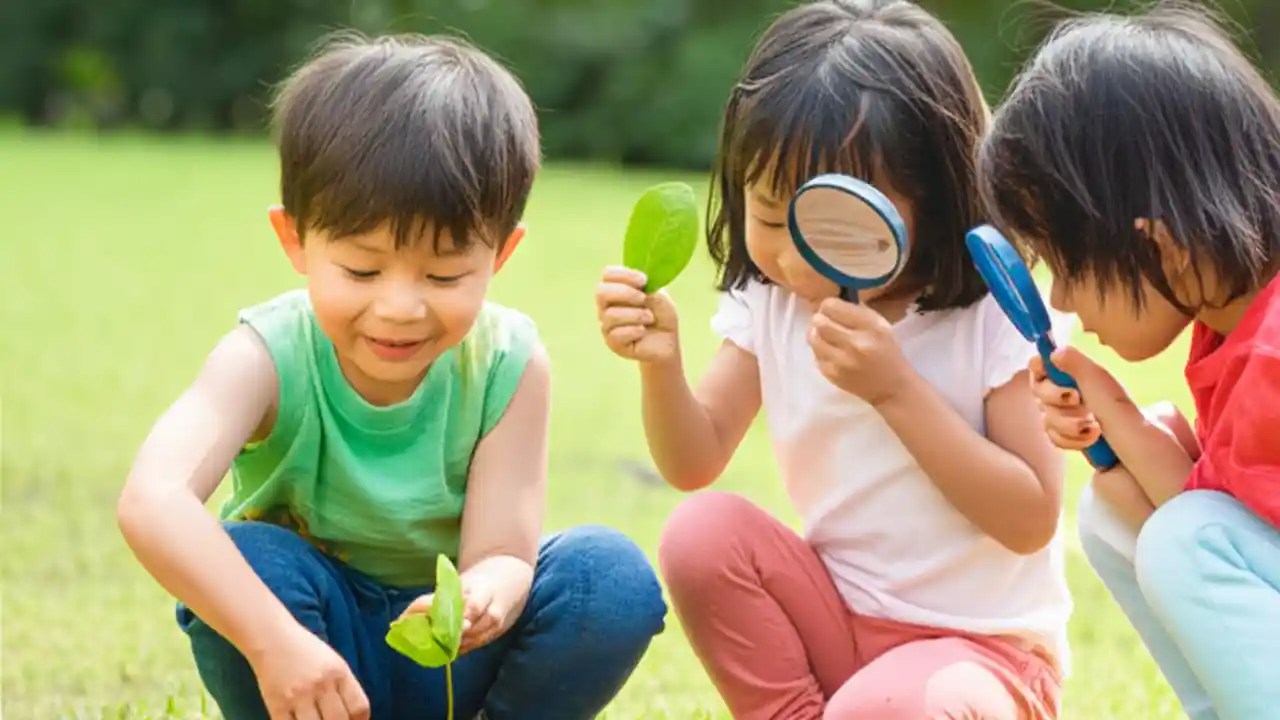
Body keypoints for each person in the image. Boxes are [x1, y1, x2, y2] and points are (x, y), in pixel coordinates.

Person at [117, 32, 666, 720]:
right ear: (295, 240)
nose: (400, 308)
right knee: (251, 559)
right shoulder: (264, 356)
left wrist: (487, 592)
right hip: (309, 657)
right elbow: (151, 499)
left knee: (607, 576)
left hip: (458, 659)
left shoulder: (508, 362)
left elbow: (503, 549)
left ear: (501, 252)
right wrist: (273, 642)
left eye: (444, 274)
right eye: (362, 270)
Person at [594, 1, 1072, 717]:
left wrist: (896, 391)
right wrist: (660, 364)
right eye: (765, 213)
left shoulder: (991, 313)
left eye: (834, 225)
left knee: (894, 706)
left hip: (979, 653)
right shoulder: (775, 300)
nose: (794, 255)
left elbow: (1030, 517)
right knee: (703, 535)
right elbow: (693, 463)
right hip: (837, 625)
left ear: (936, 197)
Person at [978, 5, 1280, 719]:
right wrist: (1121, 425)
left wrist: (1114, 412)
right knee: (1118, 508)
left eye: (1066, 265)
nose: (1059, 297)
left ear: (1158, 247)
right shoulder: (1234, 324)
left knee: (1180, 538)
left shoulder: (1271, 354)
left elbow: (1205, 538)